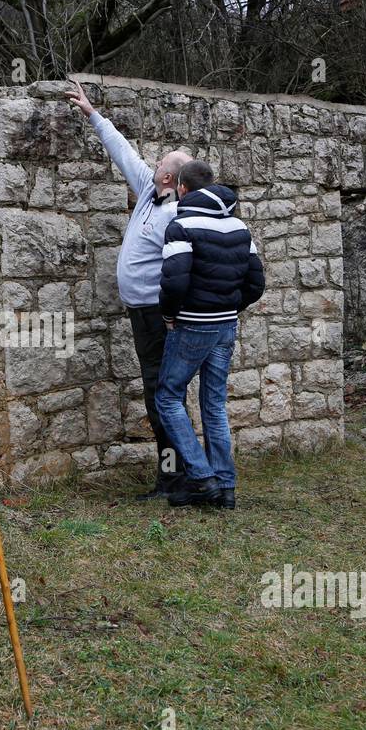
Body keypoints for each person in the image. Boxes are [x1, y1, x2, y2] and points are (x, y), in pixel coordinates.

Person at [65, 79, 193, 499]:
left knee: (163, 395)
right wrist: (91, 112)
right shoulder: (147, 192)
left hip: (161, 317)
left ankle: (176, 478)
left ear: (170, 173)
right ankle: (180, 474)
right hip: (140, 313)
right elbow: (122, 150)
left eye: (161, 161)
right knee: (158, 391)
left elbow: (183, 270)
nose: (153, 162)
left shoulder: (179, 212)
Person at [155, 160, 265, 509]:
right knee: (214, 405)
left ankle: (203, 478)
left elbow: (174, 281)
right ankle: (226, 486)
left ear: (183, 189)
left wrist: (170, 315)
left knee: (168, 396)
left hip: (191, 325)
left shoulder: (181, 225)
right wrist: (230, 307)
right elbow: (256, 284)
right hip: (225, 326)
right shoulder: (239, 227)